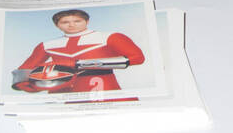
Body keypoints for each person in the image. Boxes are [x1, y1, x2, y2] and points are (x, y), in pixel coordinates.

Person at [12, 9, 145, 94]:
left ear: (87, 21)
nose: (71, 25)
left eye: (77, 21)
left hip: (101, 87)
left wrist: (78, 64)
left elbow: (137, 58)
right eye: (65, 22)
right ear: (57, 25)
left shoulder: (109, 37)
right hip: (61, 92)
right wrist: (26, 84)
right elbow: (24, 70)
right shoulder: (47, 45)